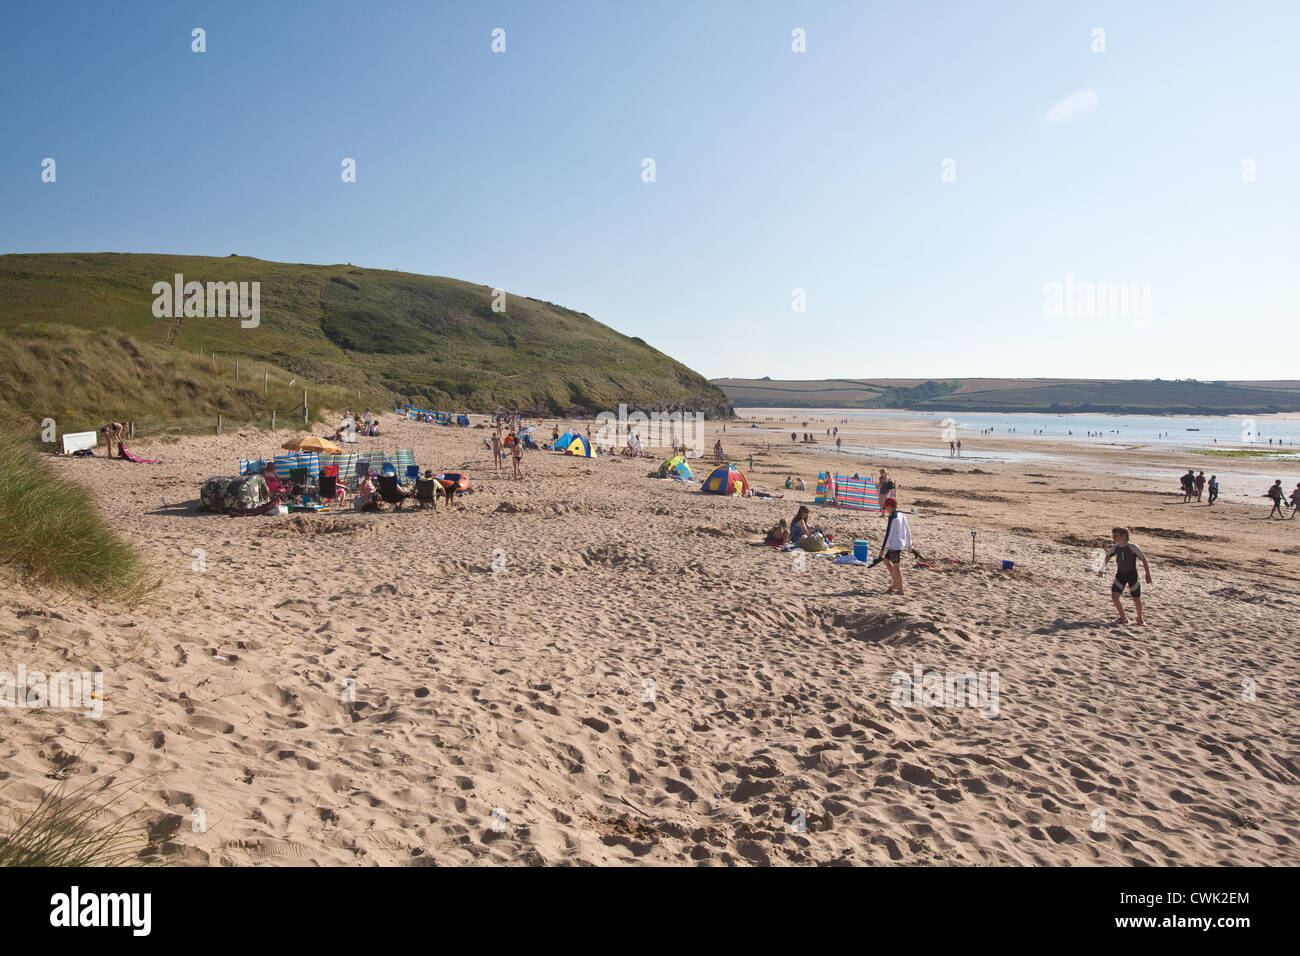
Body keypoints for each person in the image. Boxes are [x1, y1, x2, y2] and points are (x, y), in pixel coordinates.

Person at [1098, 527, 1151, 625]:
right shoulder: (1115, 548)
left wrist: (1147, 574)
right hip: (1120, 576)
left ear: (1124, 536)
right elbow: (1108, 556)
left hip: (1132, 576)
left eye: (1116, 535)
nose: (1113, 537)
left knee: (1136, 598)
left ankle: (1140, 619)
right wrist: (1102, 569)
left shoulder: (1133, 547)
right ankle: (1123, 618)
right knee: (1114, 596)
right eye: (1113, 535)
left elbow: (1144, 559)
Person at [878, 497, 912, 596]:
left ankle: (900, 589)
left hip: (894, 545)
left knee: (896, 567)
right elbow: (908, 530)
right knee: (886, 561)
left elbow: (888, 534)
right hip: (900, 544)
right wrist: (909, 544)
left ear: (889, 506)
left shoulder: (893, 518)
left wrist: (882, 550)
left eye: (886, 508)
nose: (886, 510)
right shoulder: (902, 515)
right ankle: (896, 583)